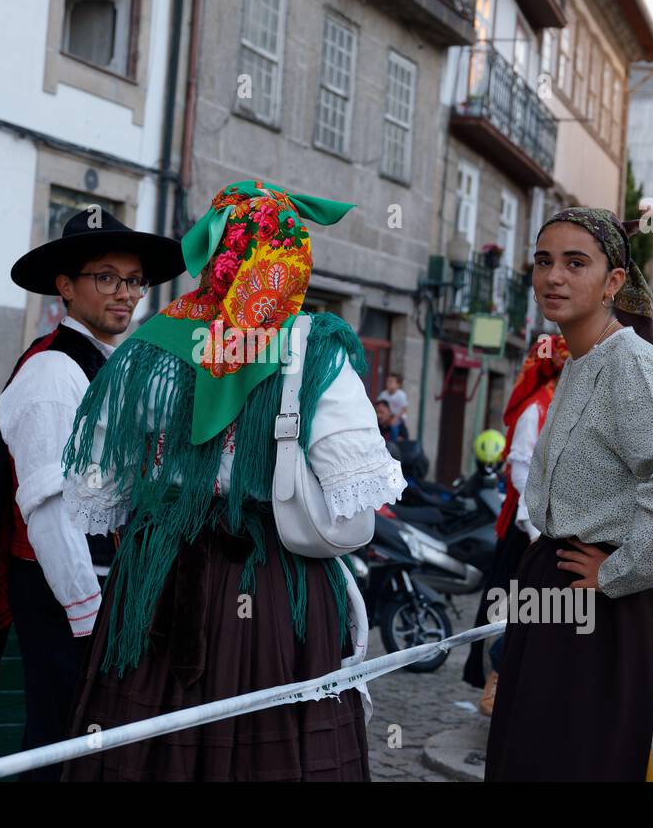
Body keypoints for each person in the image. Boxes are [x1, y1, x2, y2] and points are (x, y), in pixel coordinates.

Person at [59, 180, 405, 781]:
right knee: (269, 746)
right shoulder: (312, 349)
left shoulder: (151, 347)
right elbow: (353, 504)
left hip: (158, 579)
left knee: (150, 741)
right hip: (274, 586)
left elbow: (103, 492)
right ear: (291, 256)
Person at [0, 208, 184, 781]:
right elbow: (50, 508)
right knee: (61, 738)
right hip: (63, 589)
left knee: (89, 743)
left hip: (100, 585)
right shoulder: (52, 373)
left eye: (133, 280)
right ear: (66, 288)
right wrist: (87, 615)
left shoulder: (110, 365)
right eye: (106, 277)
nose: (125, 294)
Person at [485, 207, 653, 782]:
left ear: (614, 281)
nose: (554, 277)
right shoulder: (581, 359)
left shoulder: (631, 362)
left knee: (574, 759)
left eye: (575, 263)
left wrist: (620, 570)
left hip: (598, 608)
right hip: (558, 587)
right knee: (532, 752)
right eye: (544, 261)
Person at [462, 333, 569, 715]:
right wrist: (537, 528)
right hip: (530, 528)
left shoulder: (568, 404)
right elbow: (521, 471)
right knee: (518, 606)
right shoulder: (536, 409)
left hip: (555, 524)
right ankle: (496, 682)